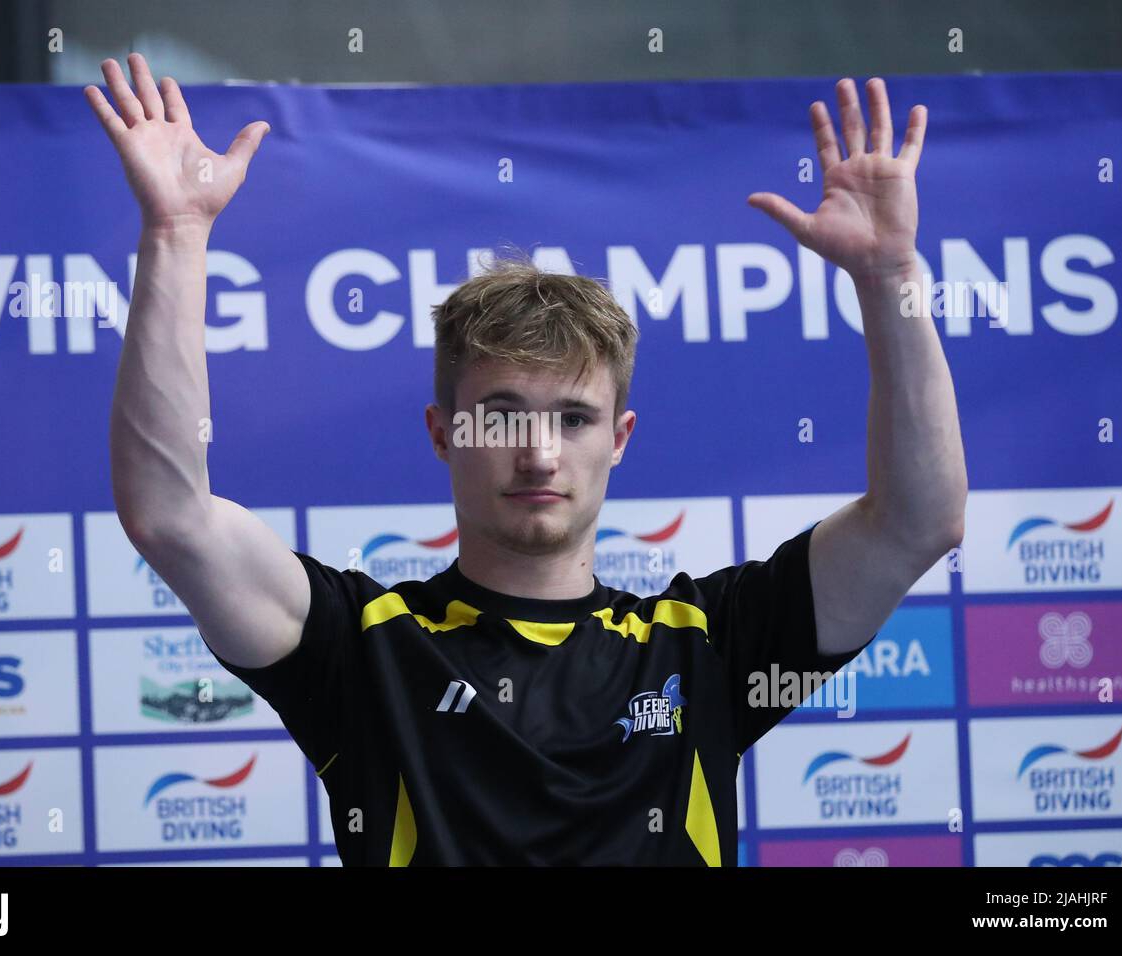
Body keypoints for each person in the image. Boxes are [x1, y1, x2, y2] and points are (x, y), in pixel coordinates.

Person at [84, 54, 967, 865]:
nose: (540, 452)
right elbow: (170, 514)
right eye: (501, 416)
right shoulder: (363, 647)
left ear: (620, 440)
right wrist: (175, 232)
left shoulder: (707, 646)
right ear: (442, 433)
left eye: (575, 419)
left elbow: (917, 523)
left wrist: (892, 278)